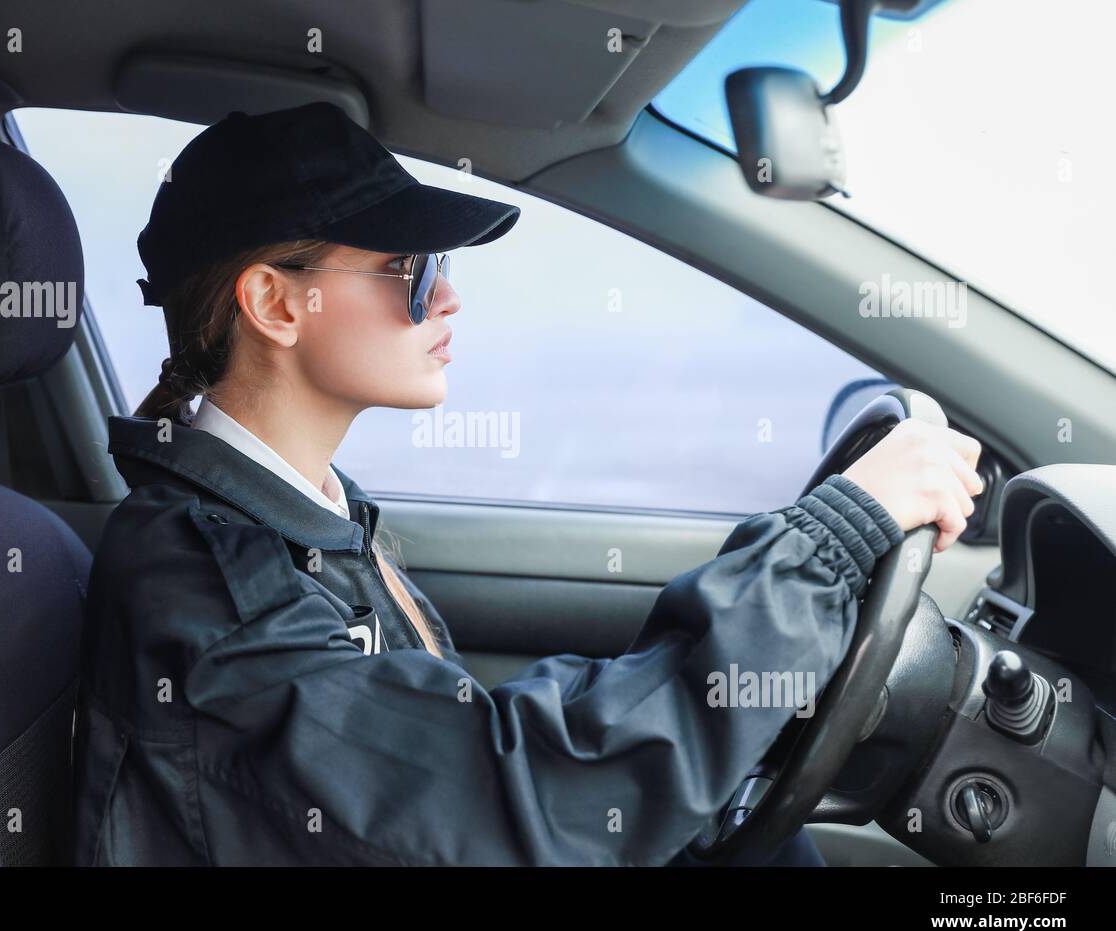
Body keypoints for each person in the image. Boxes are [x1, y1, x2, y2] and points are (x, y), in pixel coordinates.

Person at [72, 102, 983, 866]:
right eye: (409, 269)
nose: (450, 297)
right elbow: (508, 802)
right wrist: (828, 545)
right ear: (276, 303)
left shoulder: (305, 519)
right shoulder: (210, 586)